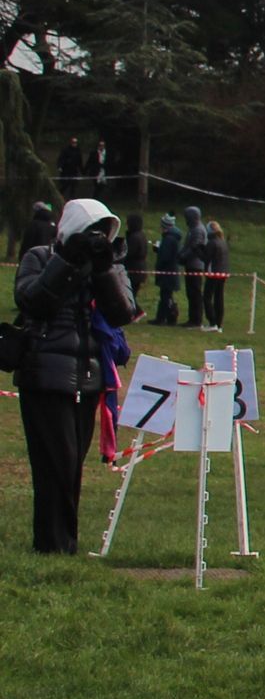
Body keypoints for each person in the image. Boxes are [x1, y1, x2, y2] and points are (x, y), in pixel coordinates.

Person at [11, 197, 136, 552]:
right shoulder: (40, 257)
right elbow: (32, 301)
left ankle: (59, 542)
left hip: (89, 375)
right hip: (45, 373)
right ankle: (55, 544)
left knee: (71, 463)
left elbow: (122, 312)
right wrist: (66, 261)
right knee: (56, 462)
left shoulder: (108, 264)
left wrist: (102, 268)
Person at [181, 205, 209, 329]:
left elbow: (194, 247)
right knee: (191, 293)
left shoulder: (198, 230)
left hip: (196, 265)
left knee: (195, 293)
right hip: (191, 264)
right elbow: (188, 245)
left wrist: (183, 257)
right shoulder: (193, 229)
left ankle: (196, 320)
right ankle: (192, 318)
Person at [153, 214, 183, 326]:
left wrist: (158, 251)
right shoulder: (172, 237)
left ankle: (162, 318)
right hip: (171, 271)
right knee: (167, 296)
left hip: (167, 272)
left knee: (165, 297)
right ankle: (167, 317)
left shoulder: (168, 239)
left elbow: (165, 256)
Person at [204, 220, 230, 332]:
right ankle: (219, 325)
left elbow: (206, 258)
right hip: (223, 273)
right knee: (219, 298)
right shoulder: (222, 241)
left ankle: (212, 322)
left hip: (213, 273)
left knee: (207, 297)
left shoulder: (212, 242)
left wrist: (197, 250)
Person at [122, 213, 148, 313]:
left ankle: (137, 312)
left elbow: (129, 253)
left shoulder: (134, 238)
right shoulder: (140, 235)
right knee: (131, 293)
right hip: (139, 269)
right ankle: (135, 311)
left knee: (129, 293)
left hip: (134, 270)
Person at [56, 136, 83, 201]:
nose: (74, 144)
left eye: (75, 142)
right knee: (65, 185)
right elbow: (61, 159)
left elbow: (79, 161)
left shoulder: (78, 151)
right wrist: (60, 166)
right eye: (73, 142)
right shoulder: (66, 150)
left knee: (73, 186)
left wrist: (82, 170)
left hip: (74, 171)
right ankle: (59, 197)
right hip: (66, 171)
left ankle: (72, 199)